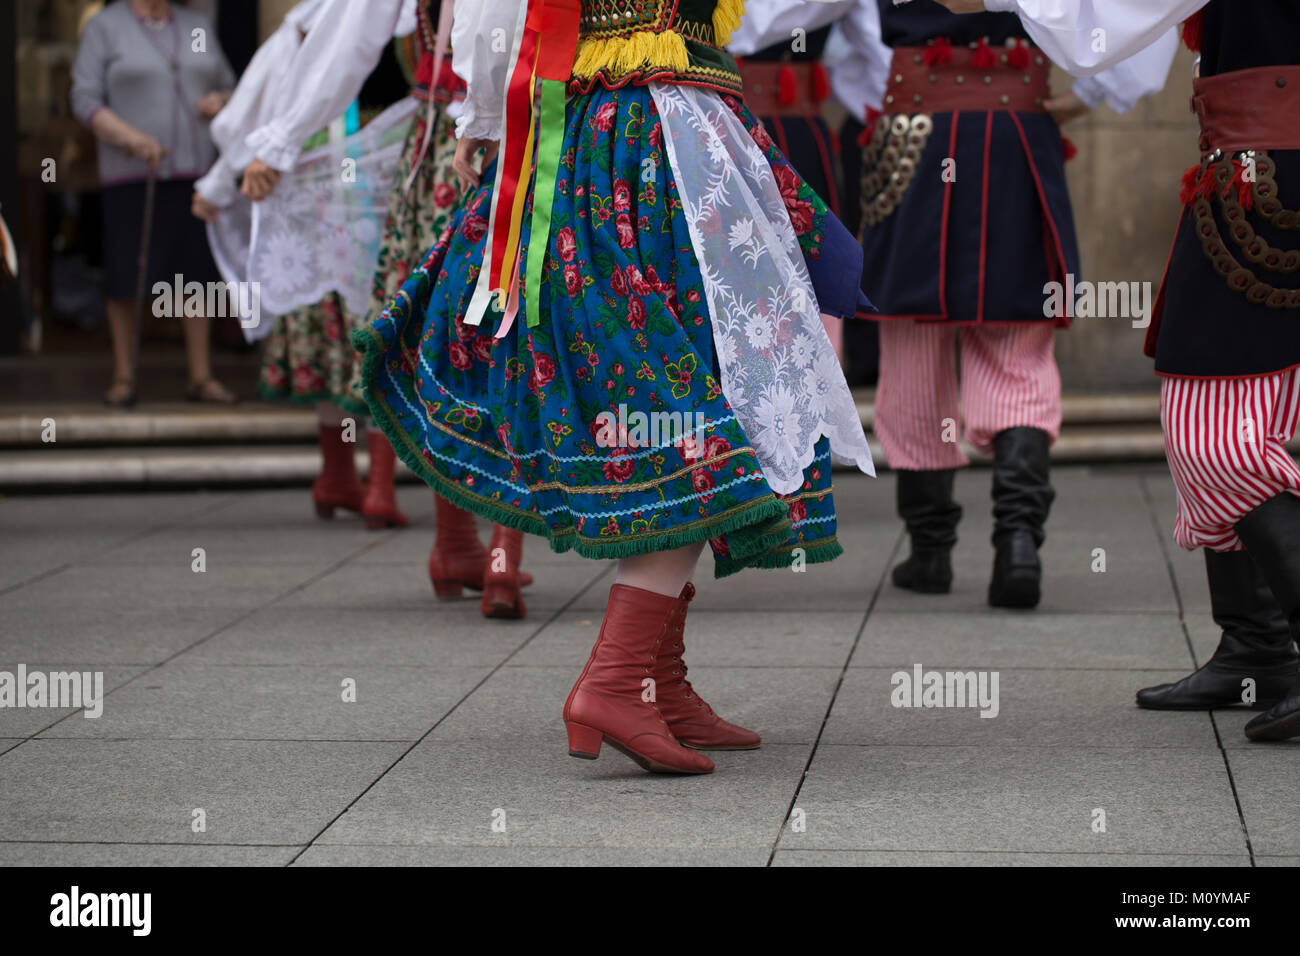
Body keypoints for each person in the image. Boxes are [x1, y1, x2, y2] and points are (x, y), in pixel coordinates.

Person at [355, 0, 876, 774]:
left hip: (666, 133)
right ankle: (612, 682)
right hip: (640, 142)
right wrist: (486, 114)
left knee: (713, 390)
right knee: (699, 416)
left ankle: (655, 681)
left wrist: (487, 112)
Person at [946, 0, 1300, 739]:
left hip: (1266, 176)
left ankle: (1265, 645)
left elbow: (1107, 18)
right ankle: (1259, 648)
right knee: (1232, 426)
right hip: (1257, 171)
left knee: (1217, 437)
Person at [814, 0, 1174, 609]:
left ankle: (931, 554)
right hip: (1015, 131)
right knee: (1018, 346)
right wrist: (1101, 87)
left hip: (915, 132)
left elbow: (786, 22)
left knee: (913, 348)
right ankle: (1018, 545)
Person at [72, 0, 237, 407]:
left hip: (194, 173)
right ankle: (123, 377)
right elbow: (84, 98)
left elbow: (230, 86)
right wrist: (129, 137)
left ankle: (201, 376)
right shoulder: (106, 29)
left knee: (195, 276)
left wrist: (221, 100)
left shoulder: (194, 27)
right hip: (133, 172)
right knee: (128, 272)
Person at [729, 2, 881, 385]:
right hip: (725, 122)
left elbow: (872, 51)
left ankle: (815, 396)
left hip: (791, 131)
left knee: (809, 270)